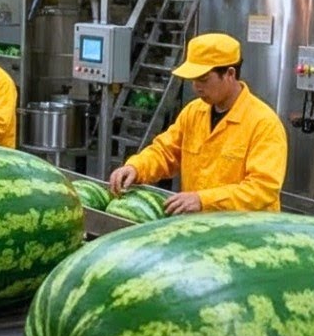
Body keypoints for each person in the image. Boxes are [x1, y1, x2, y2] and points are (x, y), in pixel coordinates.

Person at [109, 33, 288, 213]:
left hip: (246, 234)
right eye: (193, 79)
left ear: (230, 74)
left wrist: (204, 200)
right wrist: (136, 167)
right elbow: (165, 152)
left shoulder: (264, 123)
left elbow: (262, 189)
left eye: (203, 79)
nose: (196, 87)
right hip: (198, 228)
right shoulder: (193, 112)